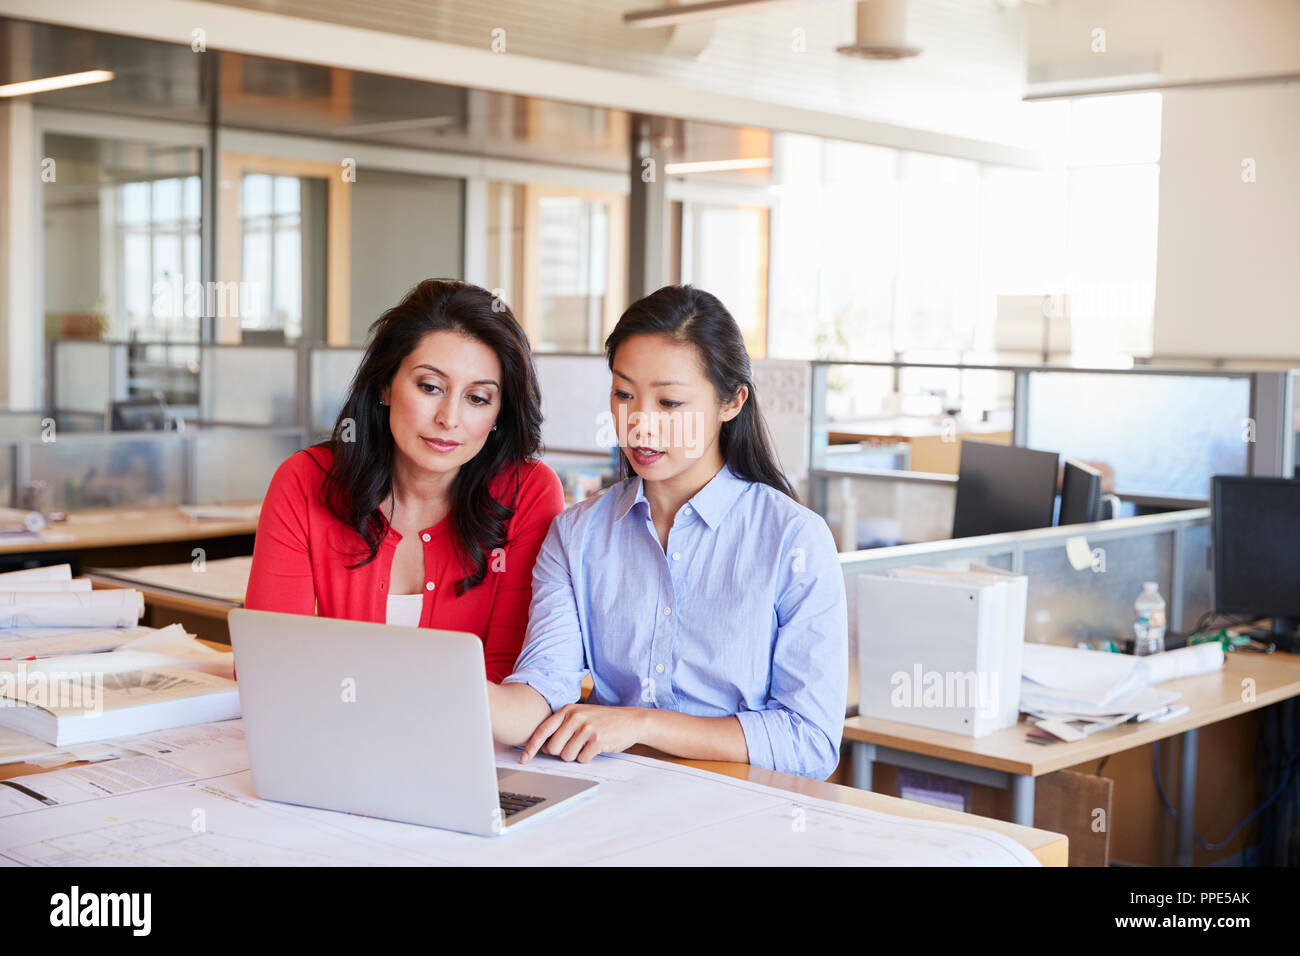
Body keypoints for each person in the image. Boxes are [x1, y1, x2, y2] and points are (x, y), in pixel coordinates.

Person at [489, 285, 847, 779]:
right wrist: (450, 688)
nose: (640, 424)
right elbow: (545, 681)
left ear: (731, 402)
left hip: (743, 814)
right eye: (624, 394)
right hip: (614, 799)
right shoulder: (575, 536)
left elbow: (811, 741)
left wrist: (640, 724)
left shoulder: (793, 540)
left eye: (670, 403)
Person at [245, 279, 563, 683]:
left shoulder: (527, 493)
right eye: (430, 387)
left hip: (467, 742)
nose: (449, 418)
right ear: (385, 384)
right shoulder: (305, 481)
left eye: (477, 398)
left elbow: (512, 676)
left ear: (500, 411)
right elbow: (268, 663)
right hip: (332, 734)